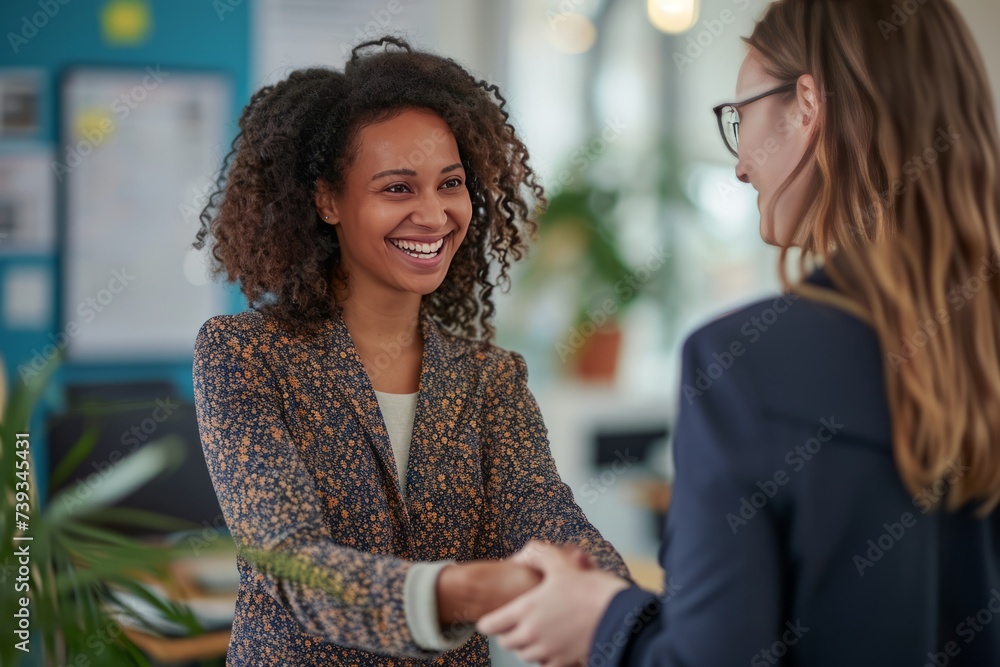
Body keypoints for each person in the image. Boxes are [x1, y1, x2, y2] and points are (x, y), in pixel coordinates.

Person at [477, 1, 1000, 665]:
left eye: (741, 114)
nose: (741, 166)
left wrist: (602, 623)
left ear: (807, 107)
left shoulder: (744, 366)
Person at [190, 37, 628, 666]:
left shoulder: (489, 377)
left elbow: (544, 514)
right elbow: (291, 560)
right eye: (398, 189)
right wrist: (457, 590)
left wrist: (609, 594)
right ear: (328, 200)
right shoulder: (245, 355)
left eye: (450, 184)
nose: (433, 214)